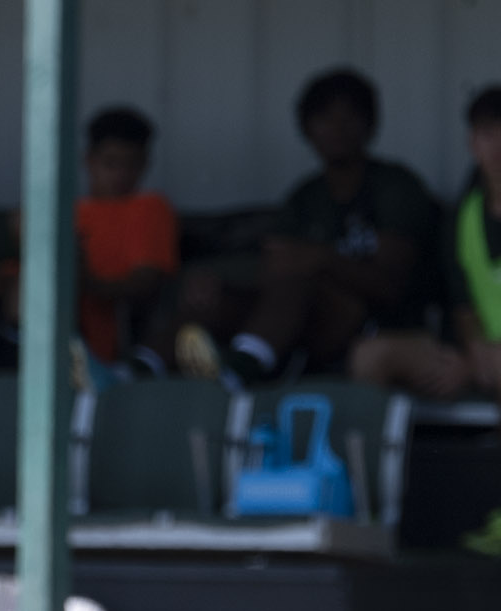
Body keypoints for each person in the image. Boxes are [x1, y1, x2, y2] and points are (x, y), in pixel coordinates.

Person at [179, 68, 438, 387]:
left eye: (350, 117)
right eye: (325, 118)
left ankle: (239, 372)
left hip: (379, 329)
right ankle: (141, 372)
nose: (337, 128)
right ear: (307, 128)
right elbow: (274, 270)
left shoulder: (395, 186)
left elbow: (391, 287)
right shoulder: (305, 197)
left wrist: (324, 259)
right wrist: (216, 282)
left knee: (298, 281)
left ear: (370, 124)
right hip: (306, 327)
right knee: (210, 296)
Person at [351, 86, 501, 404]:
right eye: (488, 133)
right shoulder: (463, 216)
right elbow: (462, 305)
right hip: (474, 351)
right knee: (370, 355)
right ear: (473, 142)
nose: (498, 146)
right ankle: (368, 452)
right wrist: (474, 357)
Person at [75, 106, 178, 375]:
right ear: (88, 160)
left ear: (146, 164)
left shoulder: (149, 207)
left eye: (132, 165)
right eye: (110, 163)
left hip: (111, 335)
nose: (121, 175)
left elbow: (147, 281)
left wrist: (82, 282)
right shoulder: (64, 213)